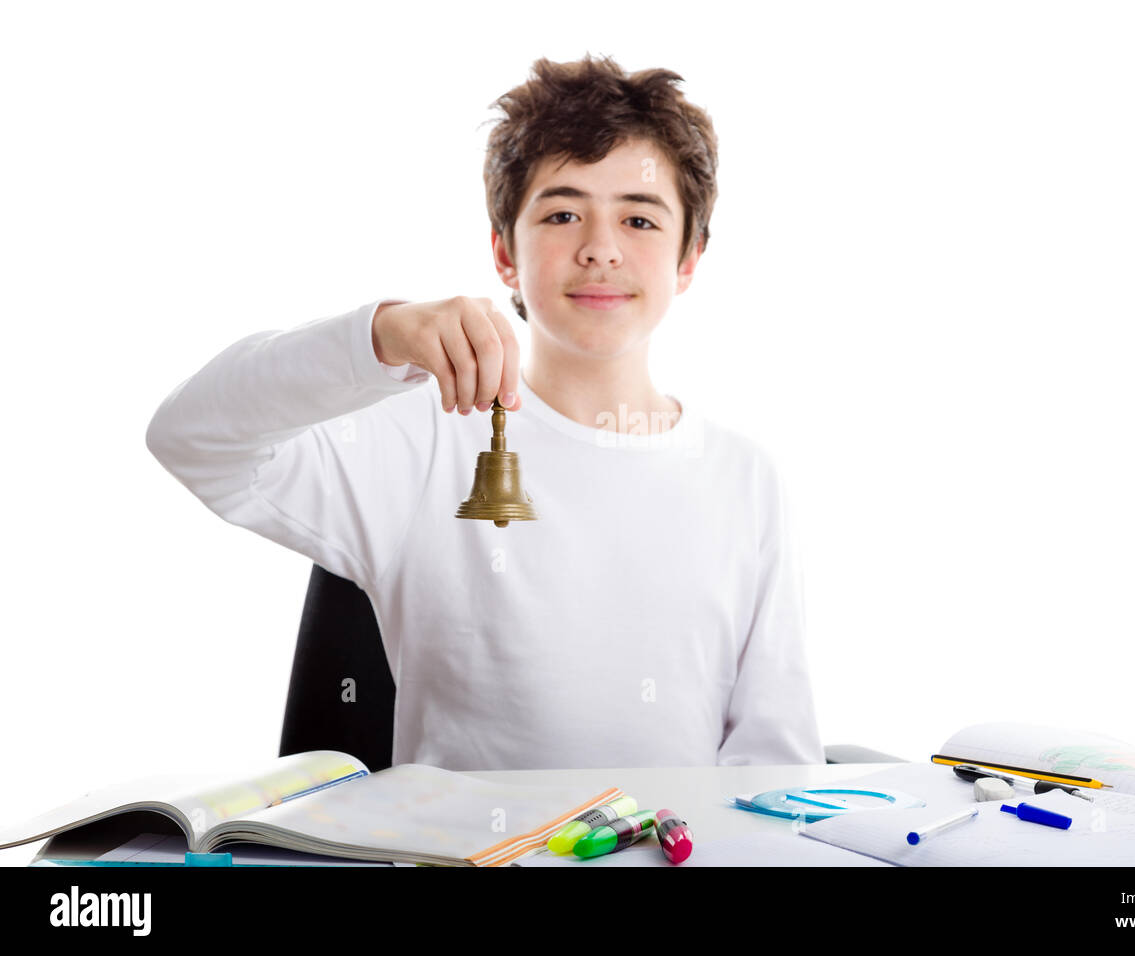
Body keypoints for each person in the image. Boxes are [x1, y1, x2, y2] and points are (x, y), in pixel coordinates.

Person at [146, 53, 822, 771]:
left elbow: (774, 758)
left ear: (689, 259)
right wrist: (374, 336)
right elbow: (191, 438)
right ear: (504, 253)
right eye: (563, 213)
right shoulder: (421, 438)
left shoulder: (744, 478)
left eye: (640, 219)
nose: (600, 249)